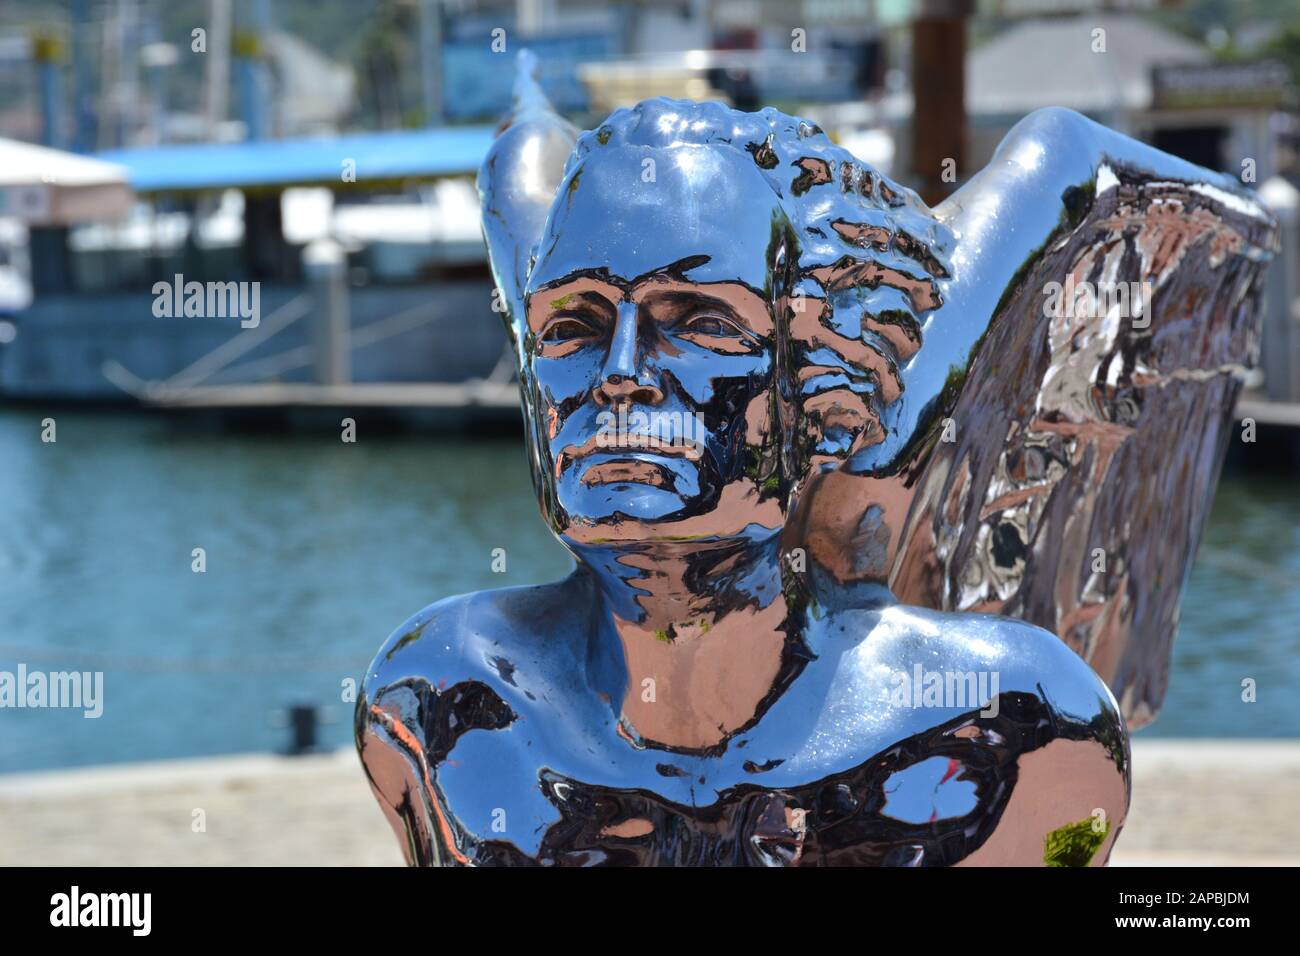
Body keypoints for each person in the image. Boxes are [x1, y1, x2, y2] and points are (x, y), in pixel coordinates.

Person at [355, 99, 1129, 866]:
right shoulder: (444, 703)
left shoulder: (1012, 729)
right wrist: (533, 123)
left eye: (698, 323)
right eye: (572, 326)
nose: (621, 375)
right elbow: (513, 179)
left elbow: (1059, 164)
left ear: (821, 391)